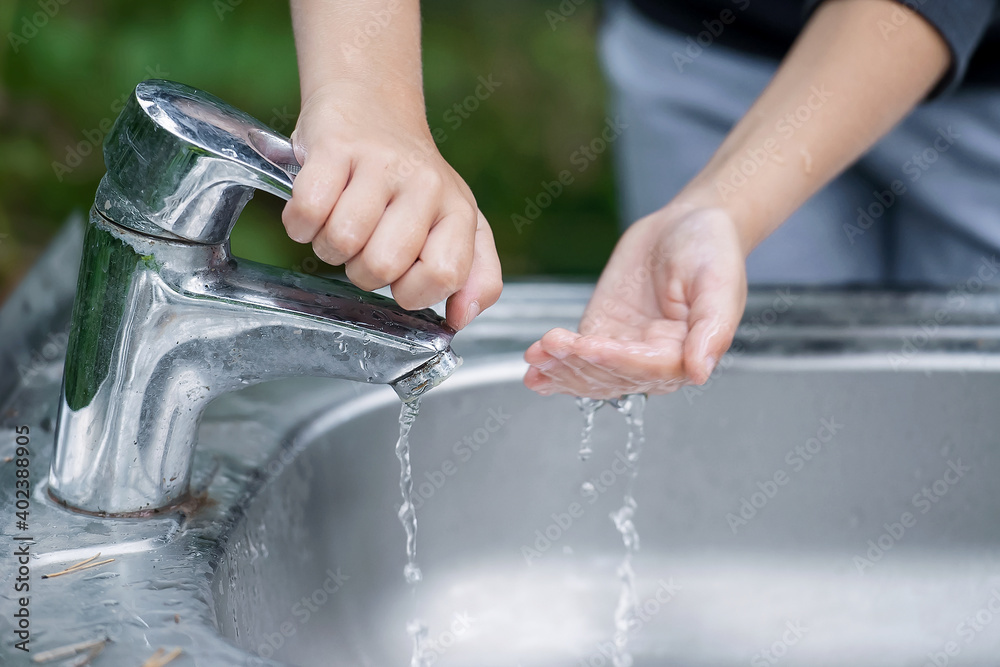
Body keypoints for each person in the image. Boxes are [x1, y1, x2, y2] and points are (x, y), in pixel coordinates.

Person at [282, 0, 999, 400]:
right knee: (746, 437)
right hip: (703, 46)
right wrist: (369, 95)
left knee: (963, 449)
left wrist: (726, 200)